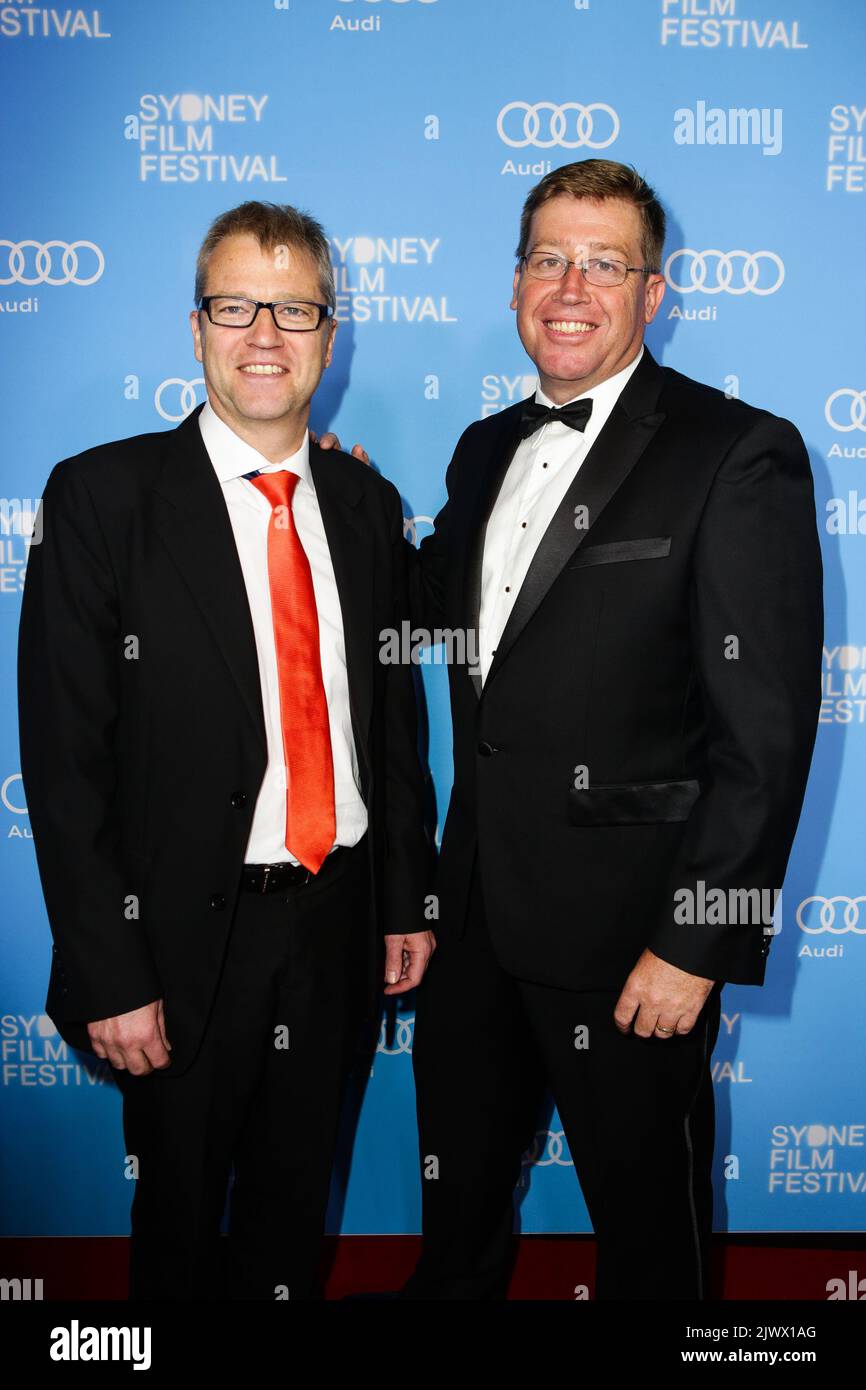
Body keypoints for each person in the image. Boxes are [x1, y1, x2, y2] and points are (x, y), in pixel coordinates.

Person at [330, 158, 823, 1299]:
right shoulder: (483, 445)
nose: (570, 286)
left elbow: (764, 737)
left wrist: (694, 944)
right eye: (547, 258)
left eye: (603, 263)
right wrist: (337, 506)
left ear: (653, 293)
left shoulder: (733, 451)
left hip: (632, 944)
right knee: (454, 1228)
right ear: (514, 285)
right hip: (475, 927)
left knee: (652, 1245)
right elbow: (428, 604)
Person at [17, 200, 433, 1301]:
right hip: (180, 941)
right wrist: (112, 968)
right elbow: (65, 762)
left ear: (329, 337)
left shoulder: (363, 501)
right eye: (235, 305)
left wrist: (403, 897)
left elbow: (390, 722)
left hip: (335, 922)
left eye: (293, 309)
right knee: (180, 1227)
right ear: (194, 328)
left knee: (296, 1219)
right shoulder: (101, 498)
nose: (264, 334)